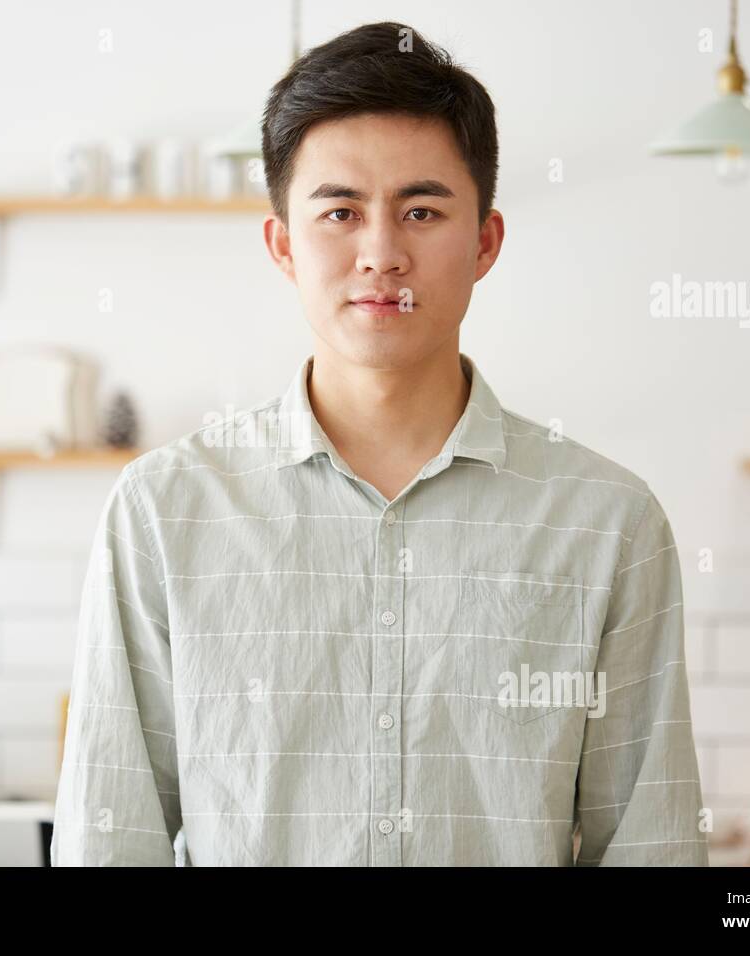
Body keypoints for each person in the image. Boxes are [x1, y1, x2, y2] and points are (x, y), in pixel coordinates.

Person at [51, 20, 707, 866]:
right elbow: (112, 838)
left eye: (421, 210)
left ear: (485, 242)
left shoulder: (609, 524)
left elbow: (650, 843)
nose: (381, 254)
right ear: (283, 244)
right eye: (340, 212)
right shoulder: (163, 512)